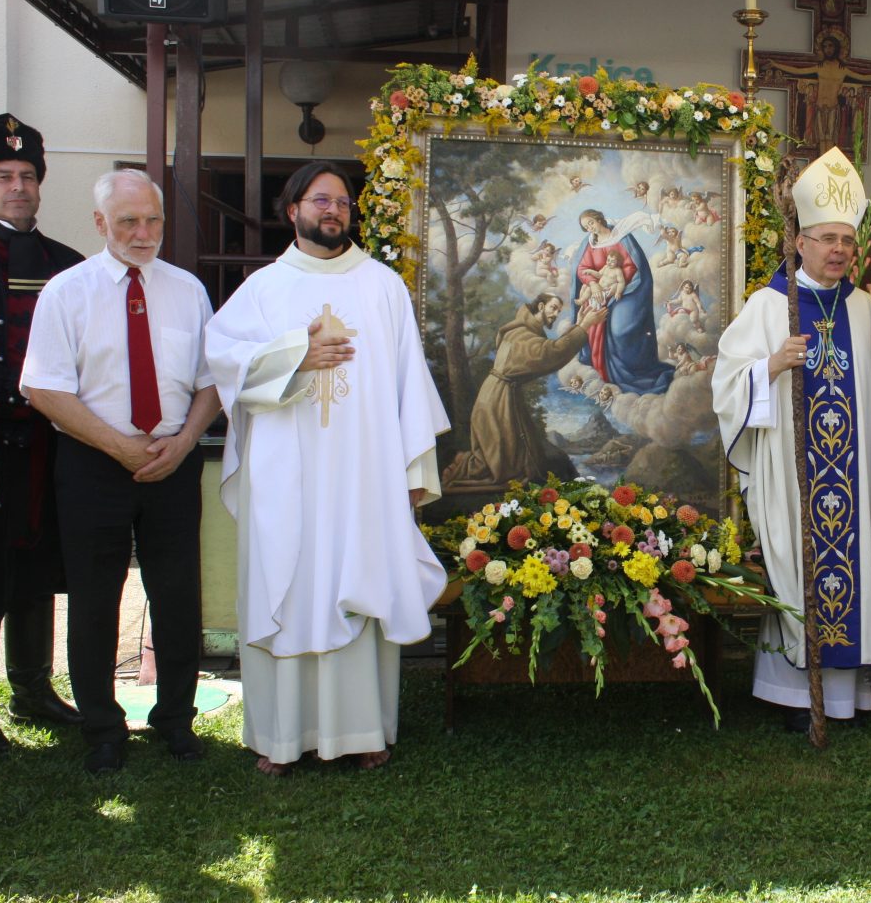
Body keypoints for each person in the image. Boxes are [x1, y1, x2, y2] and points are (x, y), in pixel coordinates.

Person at [206, 163, 451, 774]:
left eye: (343, 201)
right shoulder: (264, 288)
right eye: (321, 200)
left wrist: (415, 472)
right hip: (283, 477)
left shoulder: (383, 286)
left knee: (360, 573)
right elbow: (223, 361)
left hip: (363, 479)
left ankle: (364, 731)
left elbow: (408, 386)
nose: (334, 210)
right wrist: (298, 354)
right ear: (292, 210)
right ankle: (282, 740)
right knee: (286, 583)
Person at [21, 169, 219, 774]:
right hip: (92, 464)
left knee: (178, 593)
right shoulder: (66, 291)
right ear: (100, 223)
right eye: (128, 220)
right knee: (95, 598)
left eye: (153, 219)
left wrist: (184, 441)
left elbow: (212, 381)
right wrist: (118, 447)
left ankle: (176, 720)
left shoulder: (188, 290)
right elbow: (44, 388)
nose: (143, 232)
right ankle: (103, 727)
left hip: (173, 462)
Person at [713, 146, 871, 730]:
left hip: (850, 474)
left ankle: (840, 698)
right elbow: (727, 382)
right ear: (801, 242)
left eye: (847, 240)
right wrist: (770, 366)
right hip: (791, 472)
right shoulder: (768, 305)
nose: (839, 250)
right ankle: (791, 696)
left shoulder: (864, 307)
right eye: (827, 238)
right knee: (794, 564)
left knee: (848, 566)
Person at [0, 114, 86, 756]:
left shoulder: (66, 267)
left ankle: (33, 690)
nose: (17, 187)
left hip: (49, 444)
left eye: (27, 176)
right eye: (2, 176)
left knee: (39, 567)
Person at [442, 293, 606, 488]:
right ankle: (461, 466)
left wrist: (577, 327)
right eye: (553, 308)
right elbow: (550, 353)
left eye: (559, 311)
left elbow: (546, 350)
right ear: (541, 306)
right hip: (496, 403)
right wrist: (584, 327)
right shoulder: (520, 335)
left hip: (502, 397)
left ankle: (467, 464)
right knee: (505, 466)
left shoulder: (524, 331)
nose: (555, 314)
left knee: (524, 460)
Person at [570, 208, 674, 394]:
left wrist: (615, 287)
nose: (590, 229)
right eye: (586, 227)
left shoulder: (621, 236)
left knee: (620, 329)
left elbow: (634, 266)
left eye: (591, 223)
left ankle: (632, 372)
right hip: (599, 292)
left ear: (599, 219)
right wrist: (593, 285)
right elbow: (583, 268)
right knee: (591, 315)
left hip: (628, 291)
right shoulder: (590, 243)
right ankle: (603, 373)